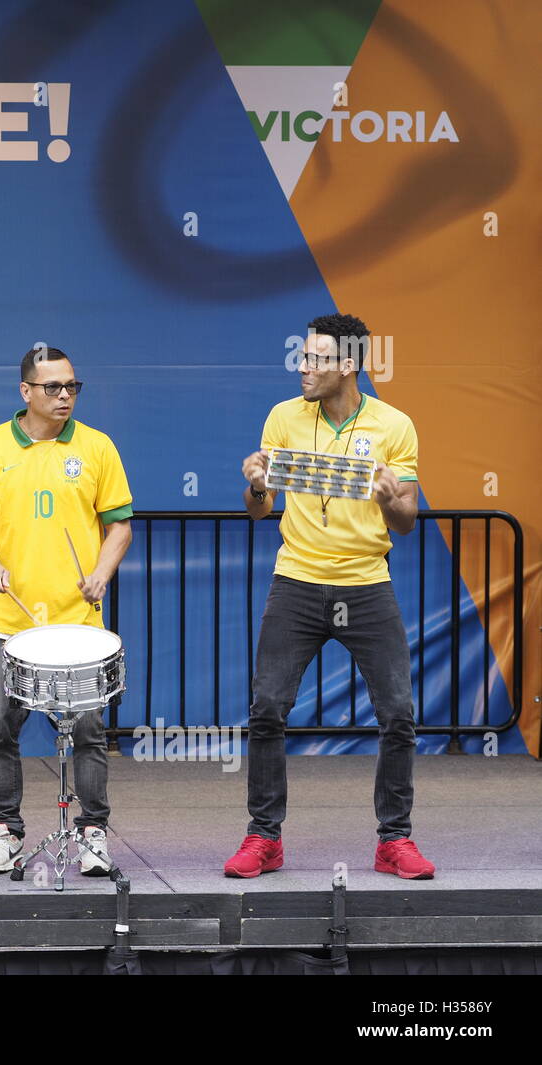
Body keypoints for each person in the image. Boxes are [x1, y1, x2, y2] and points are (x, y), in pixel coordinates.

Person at [227, 312, 434, 879]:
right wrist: (254, 483)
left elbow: (408, 521)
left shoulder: (394, 425)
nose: (304, 367)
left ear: (348, 365)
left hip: (367, 583)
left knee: (398, 714)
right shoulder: (283, 418)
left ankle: (395, 840)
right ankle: (263, 838)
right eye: (303, 356)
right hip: (296, 579)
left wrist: (392, 495)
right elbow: (258, 509)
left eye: (316, 358)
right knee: (267, 707)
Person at [0, 347, 133, 875]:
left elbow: (120, 523)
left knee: (88, 732)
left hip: (77, 622)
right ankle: (4, 831)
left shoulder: (97, 447)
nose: (63, 397)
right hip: (8, 621)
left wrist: (101, 572)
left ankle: (93, 834)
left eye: (72, 387)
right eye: (52, 388)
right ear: (26, 391)